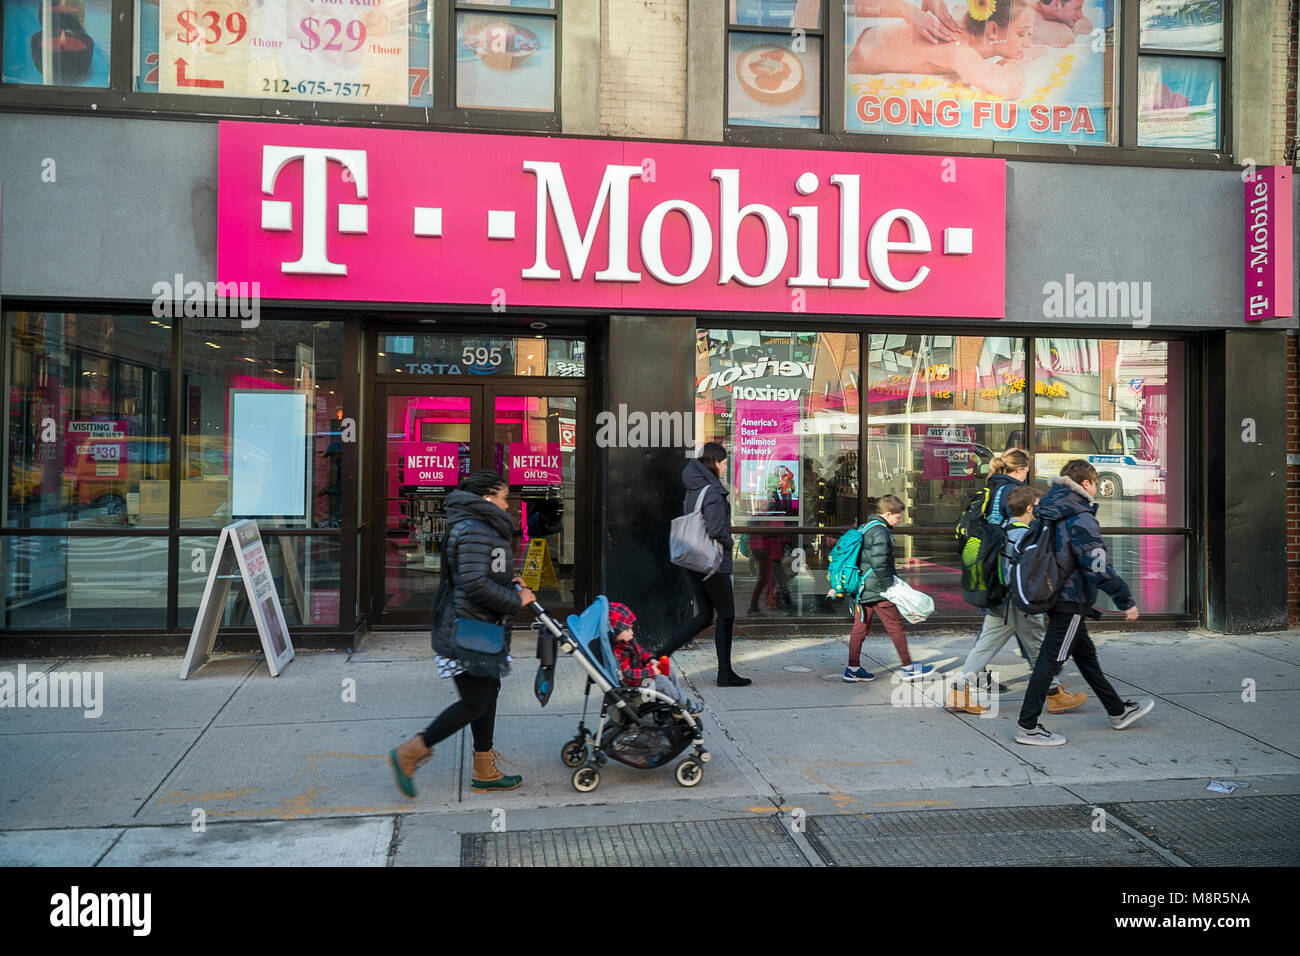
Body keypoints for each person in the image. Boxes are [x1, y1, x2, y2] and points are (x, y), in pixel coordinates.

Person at [388, 470, 537, 797]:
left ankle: (484, 769)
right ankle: (410, 752)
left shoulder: (480, 526)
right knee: (474, 702)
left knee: (488, 692)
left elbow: (485, 572)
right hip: (467, 629)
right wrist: (516, 601)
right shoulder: (474, 529)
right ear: (487, 497)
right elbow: (473, 584)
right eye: (503, 496)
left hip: (480, 627)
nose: (507, 502)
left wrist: (511, 582)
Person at [1015, 459, 1155, 746]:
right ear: (1088, 484)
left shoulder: (1050, 509)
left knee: (1087, 658)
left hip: (1056, 594)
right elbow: (1097, 564)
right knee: (1050, 661)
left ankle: (1117, 711)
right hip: (1070, 599)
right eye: (1095, 484)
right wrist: (1124, 598)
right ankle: (1027, 726)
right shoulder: (1079, 515)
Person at [947, 483, 1086, 714]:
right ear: (1030, 508)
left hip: (999, 601)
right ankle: (1054, 695)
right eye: (1038, 507)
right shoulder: (1023, 536)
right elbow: (1023, 573)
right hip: (1019, 604)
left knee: (984, 647)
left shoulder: (1002, 528)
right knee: (1040, 648)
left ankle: (959, 691)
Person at [663, 443, 751, 687]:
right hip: (712, 562)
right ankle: (725, 673)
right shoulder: (712, 491)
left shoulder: (694, 488)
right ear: (714, 463)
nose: (725, 467)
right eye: (723, 463)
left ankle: (659, 654)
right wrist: (728, 540)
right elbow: (714, 529)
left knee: (704, 616)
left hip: (693, 558)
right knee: (726, 614)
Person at [847, 0, 1038, 99]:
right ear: (993, 29)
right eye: (1022, 34)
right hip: (843, 50)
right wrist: (1018, 62)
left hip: (856, 35)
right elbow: (1010, 86)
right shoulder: (956, 50)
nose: (1029, 44)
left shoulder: (957, 21)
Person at [843, 494, 934, 682]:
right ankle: (909, 668)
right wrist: (889, 586)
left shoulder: (866, 527)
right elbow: (879, 561)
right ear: (887, 513)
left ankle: (852, 668)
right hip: (878, 589)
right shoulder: (880, 531)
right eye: (898, 517)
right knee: (895, 627)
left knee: (860, 628)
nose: (899, 521)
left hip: (862, 587)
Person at [609, 601, 703, 714]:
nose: (632, 632)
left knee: (669, 671)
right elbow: (630, 676)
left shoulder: (628, 641)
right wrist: (652, 671)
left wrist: (650, 660)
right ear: (615, 633)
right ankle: (678, 706)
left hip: (643, 678)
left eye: (631, 628)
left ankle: (681, 701)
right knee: (662, 681)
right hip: (633, 689)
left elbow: (642, 652)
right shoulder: (618, 653)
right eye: (627, 629)